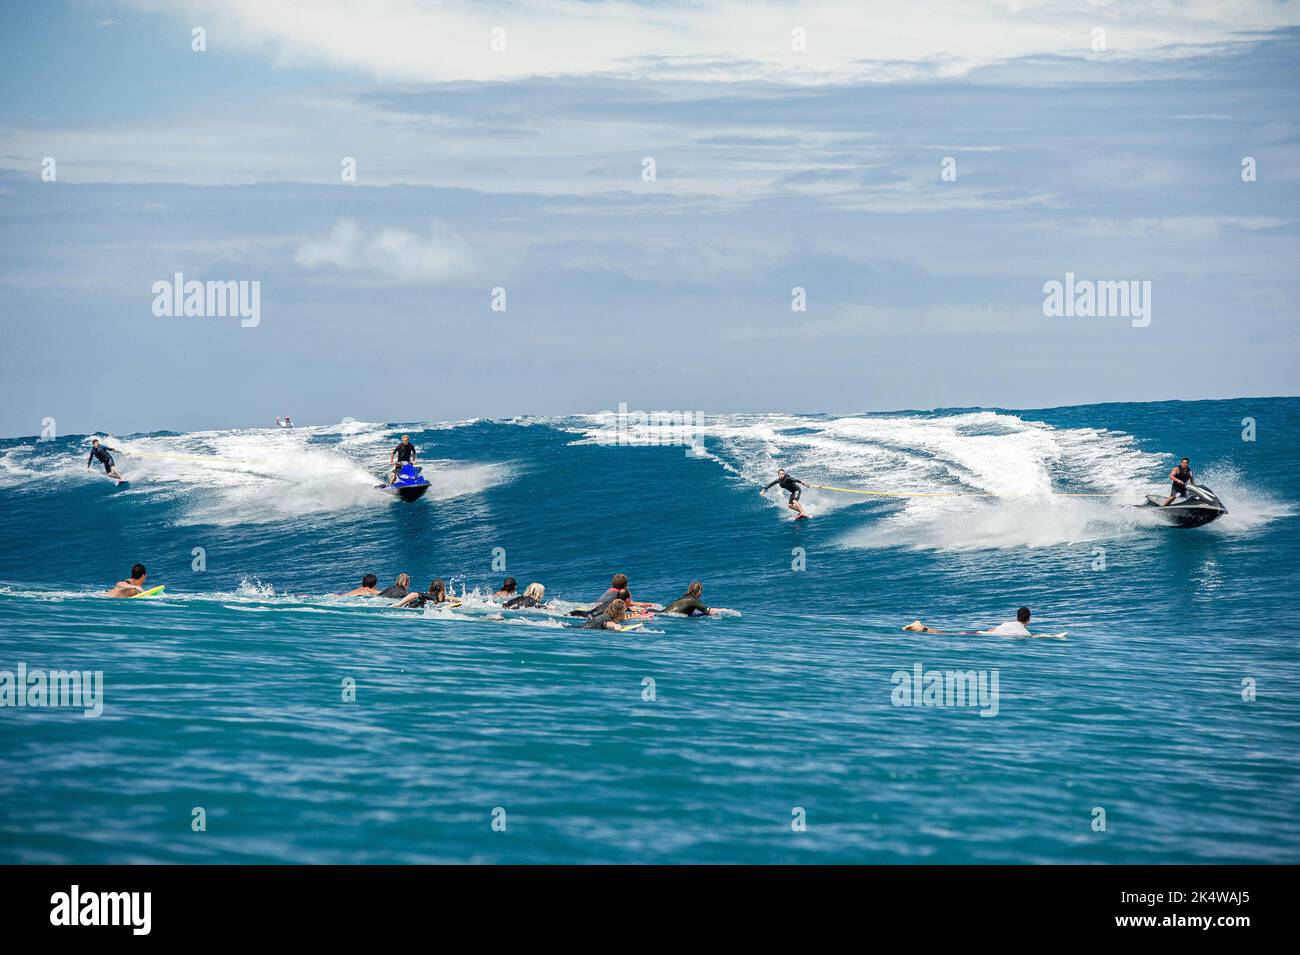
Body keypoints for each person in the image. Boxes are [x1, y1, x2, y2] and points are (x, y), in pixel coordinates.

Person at [904, 607, 1033, 637]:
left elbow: (992, 630)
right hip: (986, 636)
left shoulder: (1007, 623)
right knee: (947, 634)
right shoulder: (1024, 632)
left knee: (948, 633)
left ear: (1017, 617)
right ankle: (921, 628)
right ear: (1028, 619)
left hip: (980, 632)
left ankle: (923, 628)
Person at [663, 581, 729, 616]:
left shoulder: (683, 598)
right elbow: (709, 611)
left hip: (663, 613)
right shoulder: (693, 601)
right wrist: (724, 610)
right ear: (699, 592)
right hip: (668, 616)